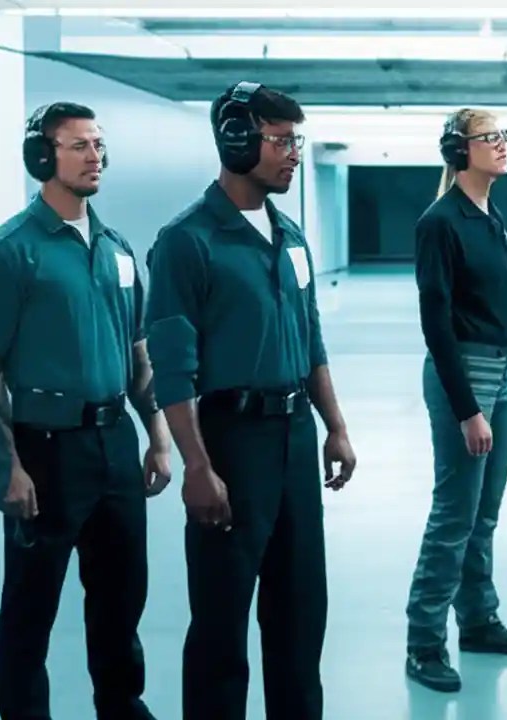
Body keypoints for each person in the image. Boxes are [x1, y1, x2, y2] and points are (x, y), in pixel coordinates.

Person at [144, 81, 357, 720]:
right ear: (237, 139)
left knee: (299, 612)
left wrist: (335, 426)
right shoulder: (187, 241)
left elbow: (310, 336)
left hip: (293, 437)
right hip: (230, 440)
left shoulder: (289, 234)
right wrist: (198, 468)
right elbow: (174, 369)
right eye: (282, 140)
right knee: (221, 618)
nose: (293, 153)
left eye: (298, 141)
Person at [0, 101, 170, 720]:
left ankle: (121, 705)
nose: (94, 156)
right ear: (42, 157)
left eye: (99, 145)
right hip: (45, 451)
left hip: (115, 445)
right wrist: (8, 466)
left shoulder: (118, 248)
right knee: (31, 604)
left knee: (121, 595)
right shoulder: (7, 252)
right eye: (78, 145)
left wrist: (156, 435)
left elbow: (139, 353)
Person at [404, 108, 507, 693]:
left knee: (484, 514)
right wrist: (467, 409)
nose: (501, 145)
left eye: (503, 136)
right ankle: (424, 642)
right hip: (463, 373)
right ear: (460, 151)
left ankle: (479, 619)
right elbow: (435, 323)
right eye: (490, 137)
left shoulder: (491, 218)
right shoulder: (440, 223)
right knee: (454, 515)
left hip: (505, 370)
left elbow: (503, 310)